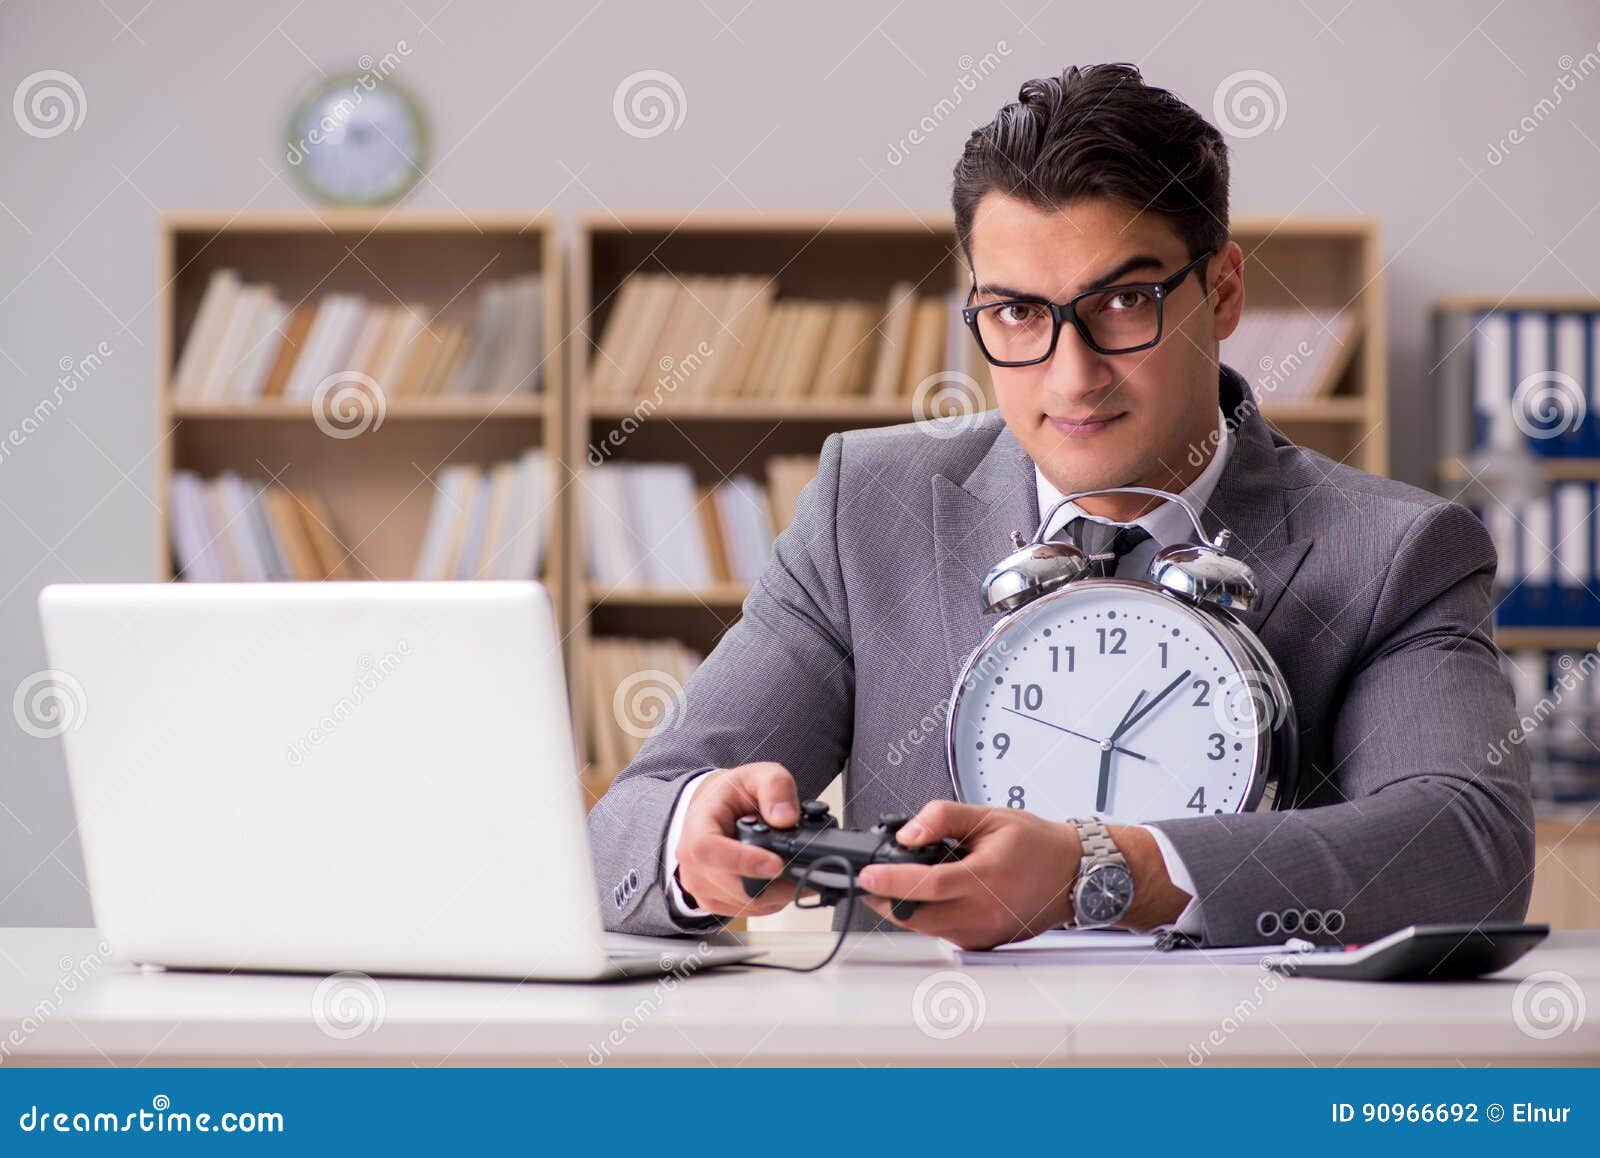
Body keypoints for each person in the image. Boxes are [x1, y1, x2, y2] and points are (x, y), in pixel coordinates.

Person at [587, 62, 1533, 949]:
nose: (1071, 375)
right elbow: (623, 829)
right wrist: (691, 839)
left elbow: (1468, 850)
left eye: (1123, 302)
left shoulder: (1395, 550)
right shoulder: (864, 510)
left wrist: (1110, 871)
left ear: (1225, 290)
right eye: (1017, 314)